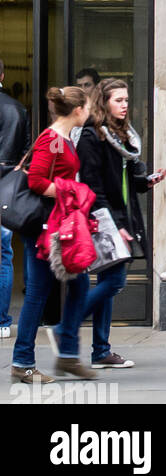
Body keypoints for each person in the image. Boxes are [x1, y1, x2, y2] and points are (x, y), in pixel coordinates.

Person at [60, 79, 165, 370]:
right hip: (102, 217)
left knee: (108, 281)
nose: (125, 105)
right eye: (119, 100)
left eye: (127, 100)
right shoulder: (94, 136)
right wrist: (114, 223)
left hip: (120, 215)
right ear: (104, 101)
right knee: (116, 280)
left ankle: (100, 351)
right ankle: (66, 328)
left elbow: (127, 179)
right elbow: (93, 186)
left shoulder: (121, 134)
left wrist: (147, 181)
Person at [11, 86, 92, 383]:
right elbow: (35, 181)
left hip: (58, 224)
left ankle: (67, 355)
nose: (90, 112)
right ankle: (23, 362)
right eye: (88, 106)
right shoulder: (52, 140)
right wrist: (71, 191)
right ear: (77, 110)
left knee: (79, 285)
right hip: (44, 227)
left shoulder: (63, 138)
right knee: (38, 292)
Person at [0, 57, 30, 341]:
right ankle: (1, 322)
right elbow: (26, 154)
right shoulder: (17, 109)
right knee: (4, 256)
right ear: (3, 74)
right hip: (6, 188)